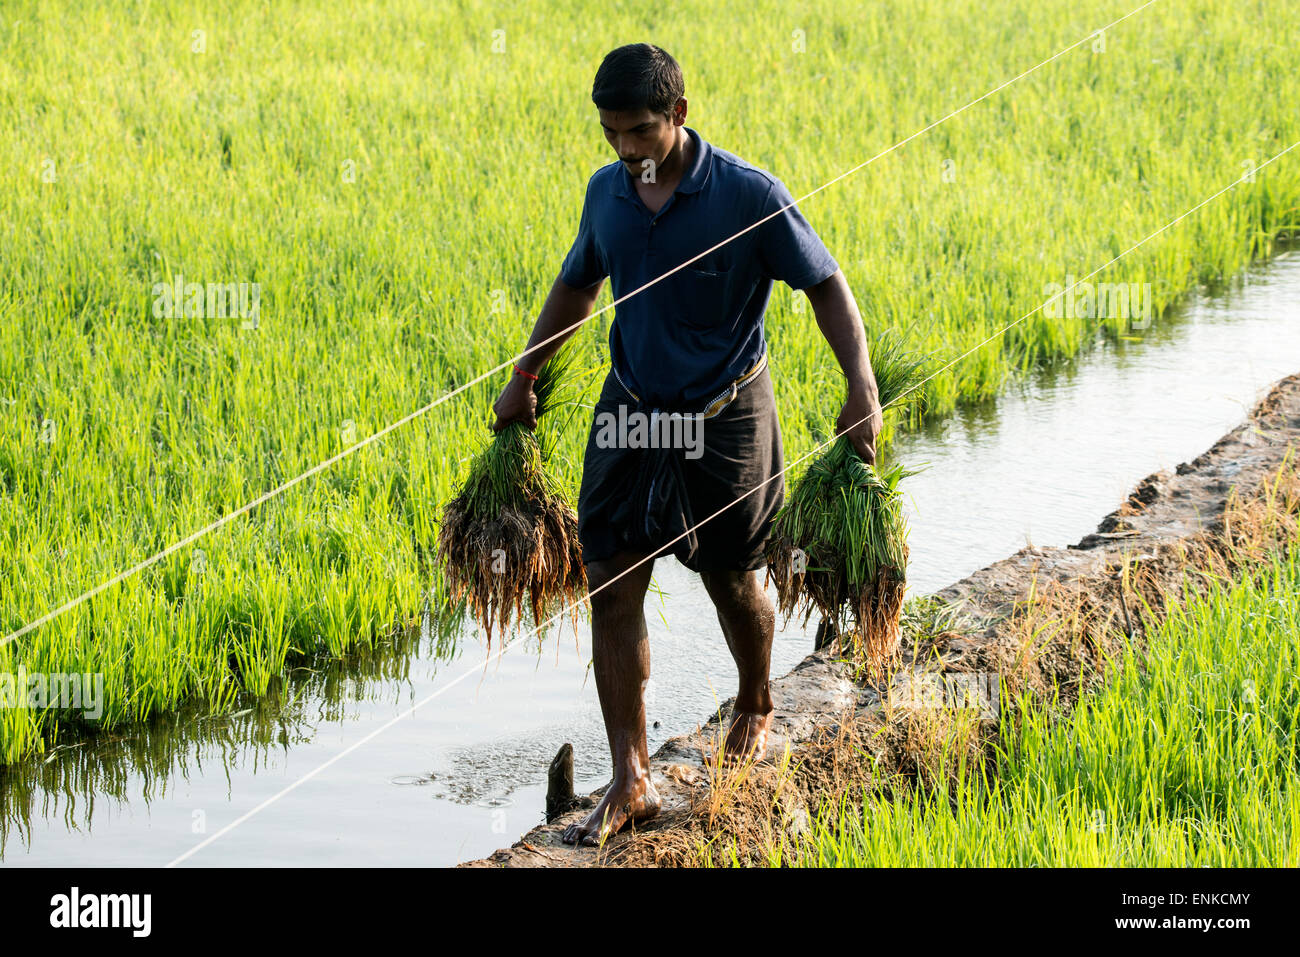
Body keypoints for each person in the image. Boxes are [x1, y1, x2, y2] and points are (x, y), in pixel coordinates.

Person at [490, 42, 883, 847]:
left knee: (735, 579)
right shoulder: (607, 194)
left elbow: (825, 283)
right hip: (632, 409)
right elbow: (578, 283)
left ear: (679, 114)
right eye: (610, 134)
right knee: (611, 575)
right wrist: (526, 373)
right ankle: (631, 775)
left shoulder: (748, 195)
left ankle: (756, 699)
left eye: (638, 131)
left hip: (727, 412)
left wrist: (862, 389)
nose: (626, 150)